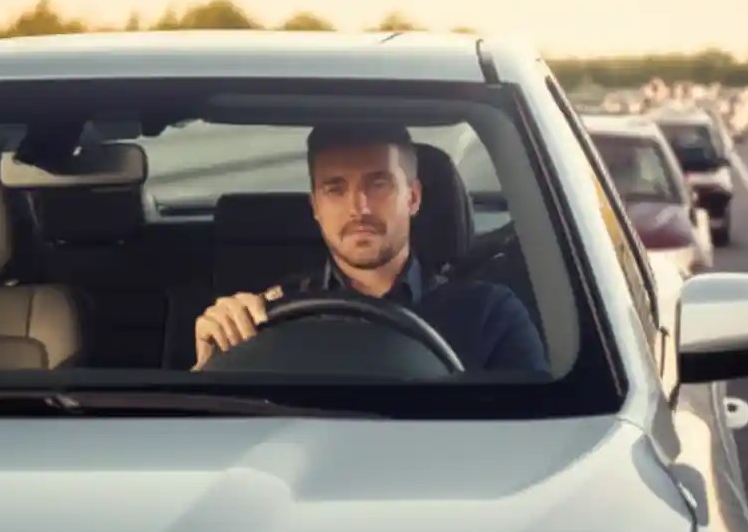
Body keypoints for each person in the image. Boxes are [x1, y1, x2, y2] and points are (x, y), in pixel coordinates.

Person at [192, 122, 549, 373]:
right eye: (335, 189)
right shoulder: (269, 316)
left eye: (378, 184)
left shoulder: (490, 316)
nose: (358, 208)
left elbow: (539, 437)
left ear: (412, 197)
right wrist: (211, 363)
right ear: (315, 206)